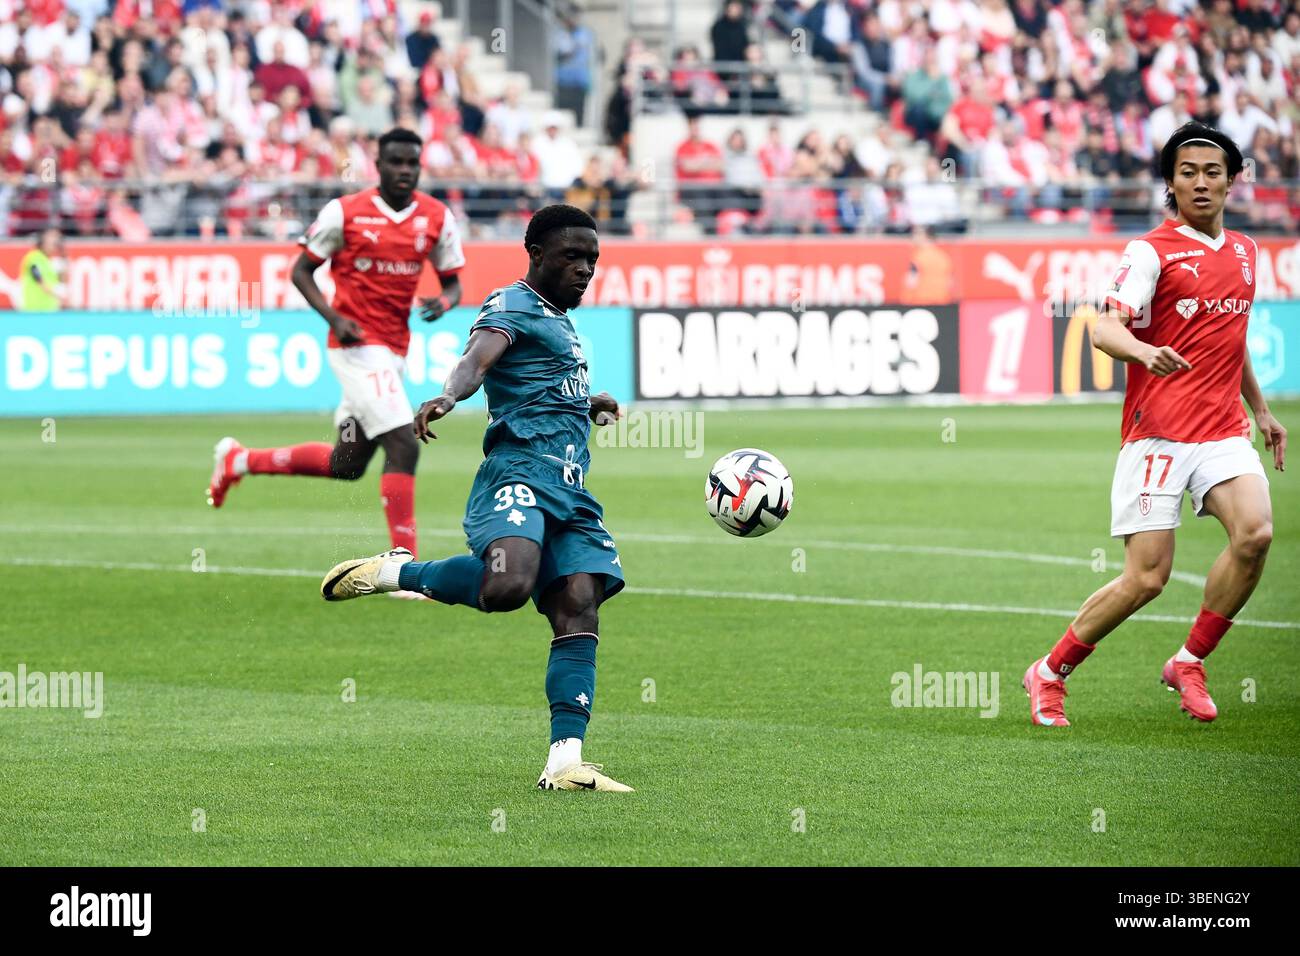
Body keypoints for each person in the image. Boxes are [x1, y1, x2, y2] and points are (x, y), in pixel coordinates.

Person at [319, 205, 632, 793]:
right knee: (508, 586)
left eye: (592, 258)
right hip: (517, 474)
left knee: (580, 602)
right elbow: (479, 358)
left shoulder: (561, 323)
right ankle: (397, 572)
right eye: (572, 256)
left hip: (570, 488)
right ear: (535, 255)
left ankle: (565, 762)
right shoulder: (512, 304)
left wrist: (591, 403)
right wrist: (447, 396)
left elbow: (545, 389)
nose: (585, 268)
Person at [1023, 122, 1287, 727]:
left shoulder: (1246, 252)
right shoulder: (1151, 251)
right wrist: (1144, 353)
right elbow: (1104, 327)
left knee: (1256, 535)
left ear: (1232, 181)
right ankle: (1050, 670)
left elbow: (1230, 338)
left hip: (1222, 431)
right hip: (1158, 434)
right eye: (1187, 172)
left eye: (1212, 171)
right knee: (1147, 578)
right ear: (1170, 182)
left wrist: (1261, 409)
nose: (1200, 182)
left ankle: (1189, 661)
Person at [206, 129, 465, 580]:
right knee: (404, 443)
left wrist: (444, 303)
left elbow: (453, 282)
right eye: (396, 162)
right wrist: (333, 318)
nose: (405, 171)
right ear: (378, 165)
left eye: (412, 163)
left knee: (345, 464)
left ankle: (240, 460)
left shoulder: (436, 217)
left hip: (394, 350)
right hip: (354, 347)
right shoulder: (344, 213)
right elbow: (301, 270)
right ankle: (406, 569)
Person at [18, 228, 66, 312]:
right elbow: (40, 281)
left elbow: (61, 281)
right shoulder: (33, 258)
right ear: (43, 240)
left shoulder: (51, 261)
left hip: (50, 310)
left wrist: (64, 257)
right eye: (52, 237)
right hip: (34, 310)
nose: (55, 241)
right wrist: (59, 294)